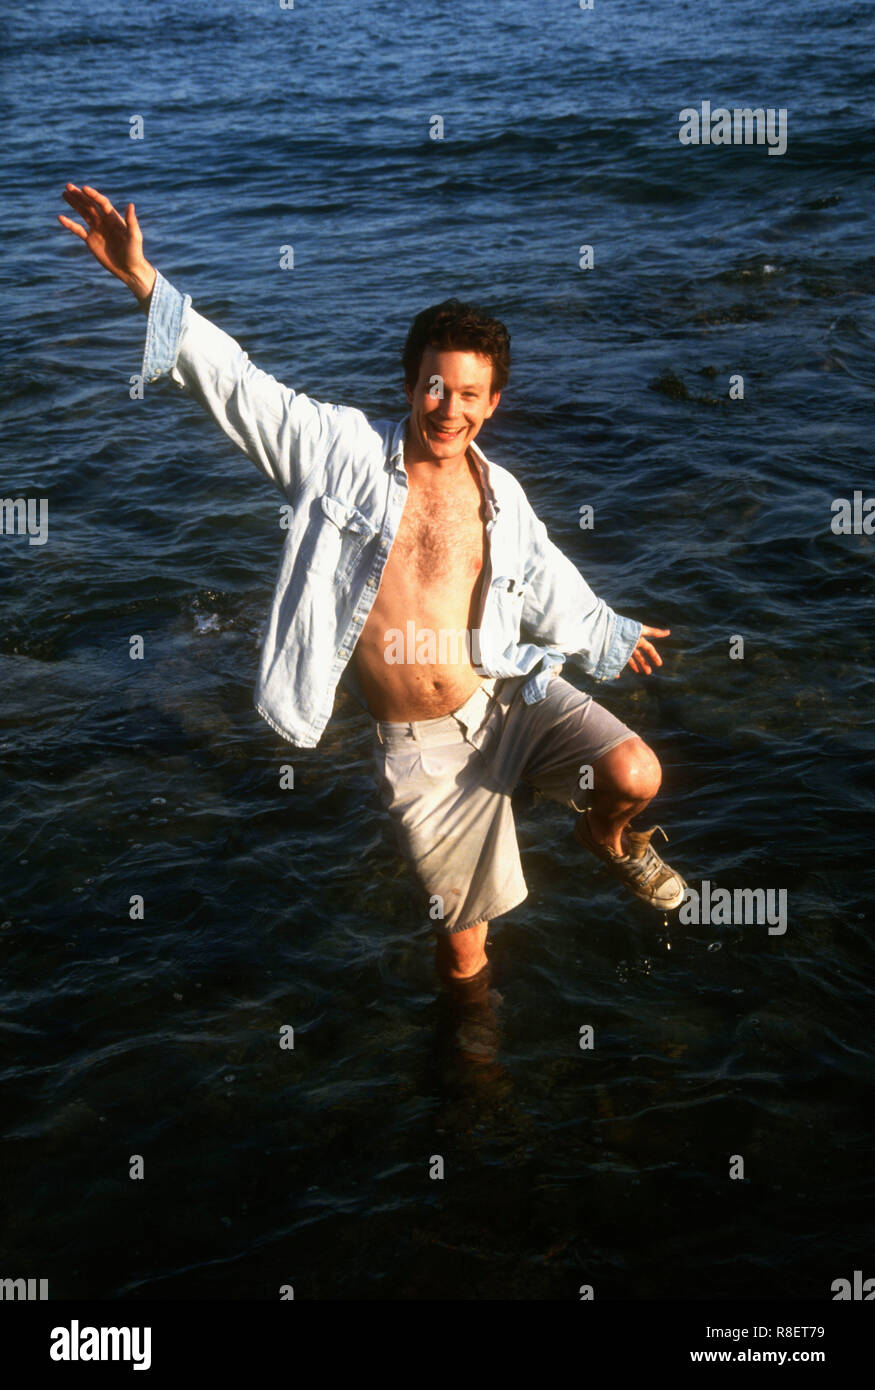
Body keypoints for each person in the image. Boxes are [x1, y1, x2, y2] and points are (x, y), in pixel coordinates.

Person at [58, 182, 687, 988]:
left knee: (635, 773)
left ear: (493, 404)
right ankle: (474, 1084)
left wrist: (607, 630)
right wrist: (145, 281)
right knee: (466, 956)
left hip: (507, 699)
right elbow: (241, 385)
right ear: (408, 385)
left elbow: (542, 573)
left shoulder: (502, 495)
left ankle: (606, 840)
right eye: (434, 387)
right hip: (423, 753)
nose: (447, 409)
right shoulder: (338, 453)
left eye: (467, 394)